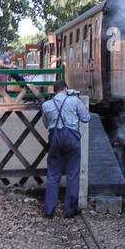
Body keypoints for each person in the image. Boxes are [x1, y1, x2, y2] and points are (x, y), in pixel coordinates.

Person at [41, 79, 90, 218]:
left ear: (53, 91)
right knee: (73, 174)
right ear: (66, 89)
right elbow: (86, 118)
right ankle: (70, 210)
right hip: (71, 138)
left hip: (55, 139)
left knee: (53, 175)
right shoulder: (74, 101)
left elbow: (46, 124)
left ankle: (49, 210)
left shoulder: (46, 105)